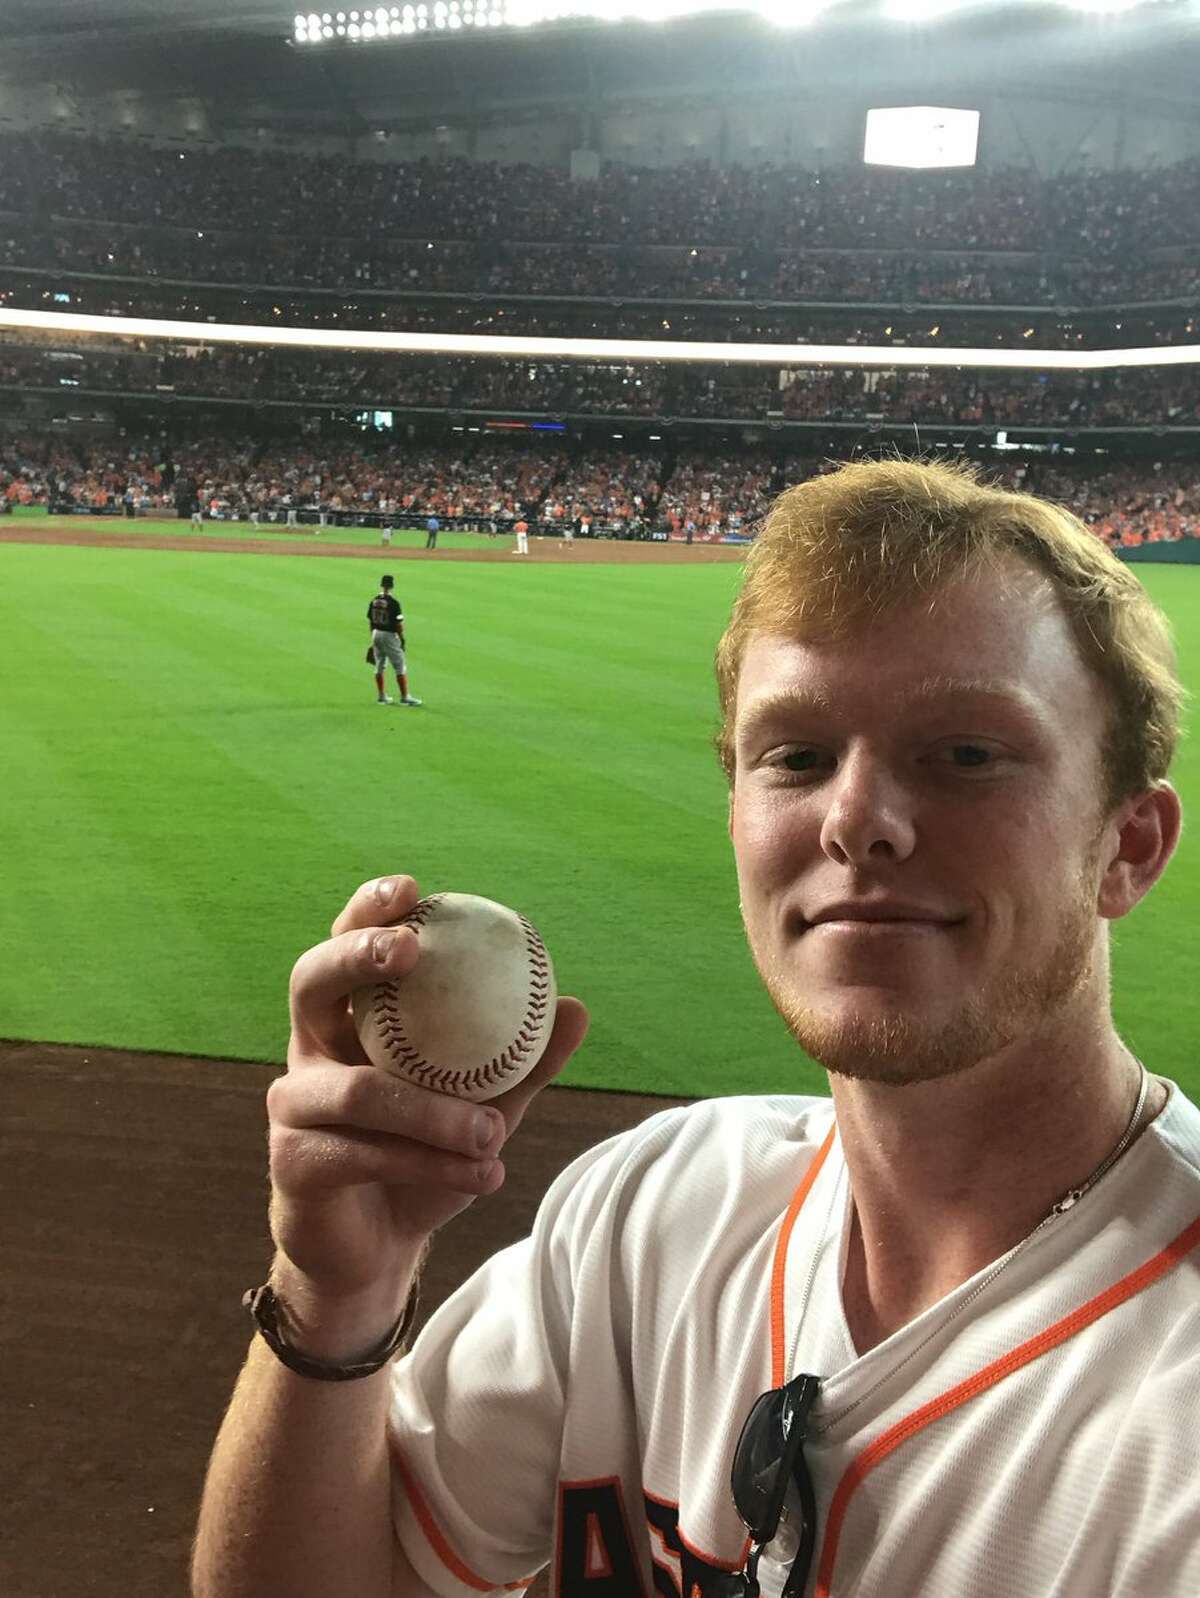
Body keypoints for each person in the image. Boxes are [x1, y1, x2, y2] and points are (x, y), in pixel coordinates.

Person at [193, 458, 1196, 1598]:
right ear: (736, 812)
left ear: (1128, 844)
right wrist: (337, 1298)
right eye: (797, 756)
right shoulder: (641, 1219)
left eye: (966, 753)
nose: (857, 818)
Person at [365, 574, 421, 708]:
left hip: (376, 633)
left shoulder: (374, 600)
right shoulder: (394, 603)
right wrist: (401, 639)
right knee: (400, 665)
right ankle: (405, 697)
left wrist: (372, 639)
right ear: (392, 586)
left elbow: (370, 621)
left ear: (381, 584)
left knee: (379, 665)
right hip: (389, 635)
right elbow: (398, 624)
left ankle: (381, 696)